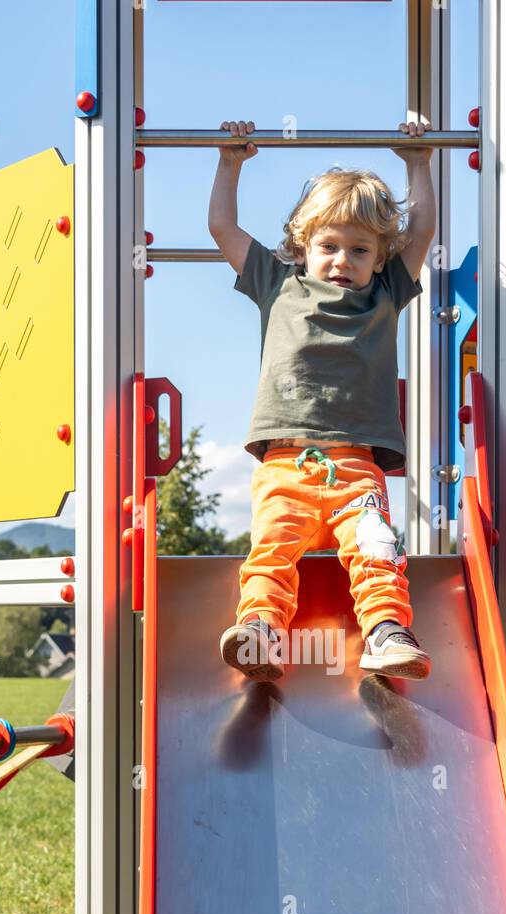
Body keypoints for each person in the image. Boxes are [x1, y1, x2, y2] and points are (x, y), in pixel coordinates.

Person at [209, 118, 436, 681]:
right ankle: (260, 629)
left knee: (376, 549)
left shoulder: (385, 295)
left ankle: (385, 631)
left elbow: (424, 230)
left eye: (360, 249)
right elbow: (221, 227)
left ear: (381, 258)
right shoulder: (278, 283)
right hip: (286, 463)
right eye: (328, 246)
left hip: (356, 469)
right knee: (272, 551)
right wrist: (230, 162)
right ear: (302, 247)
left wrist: (419, 164)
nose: (342, 260)